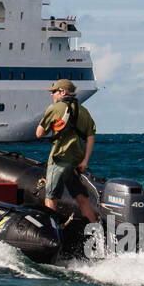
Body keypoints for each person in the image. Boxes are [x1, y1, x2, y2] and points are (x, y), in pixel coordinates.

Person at [35, 79, 98, 223]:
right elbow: (90, 137)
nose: (52, 95)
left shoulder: (54, 109)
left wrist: (52, 127)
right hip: (76, 161)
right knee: (82, 198)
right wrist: (85, 161)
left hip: (58, 160)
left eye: (54, 92)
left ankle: (52, 231)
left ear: (62, 92)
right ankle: (95, 233)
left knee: (51, 197)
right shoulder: (83, 111)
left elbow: (38, 133)